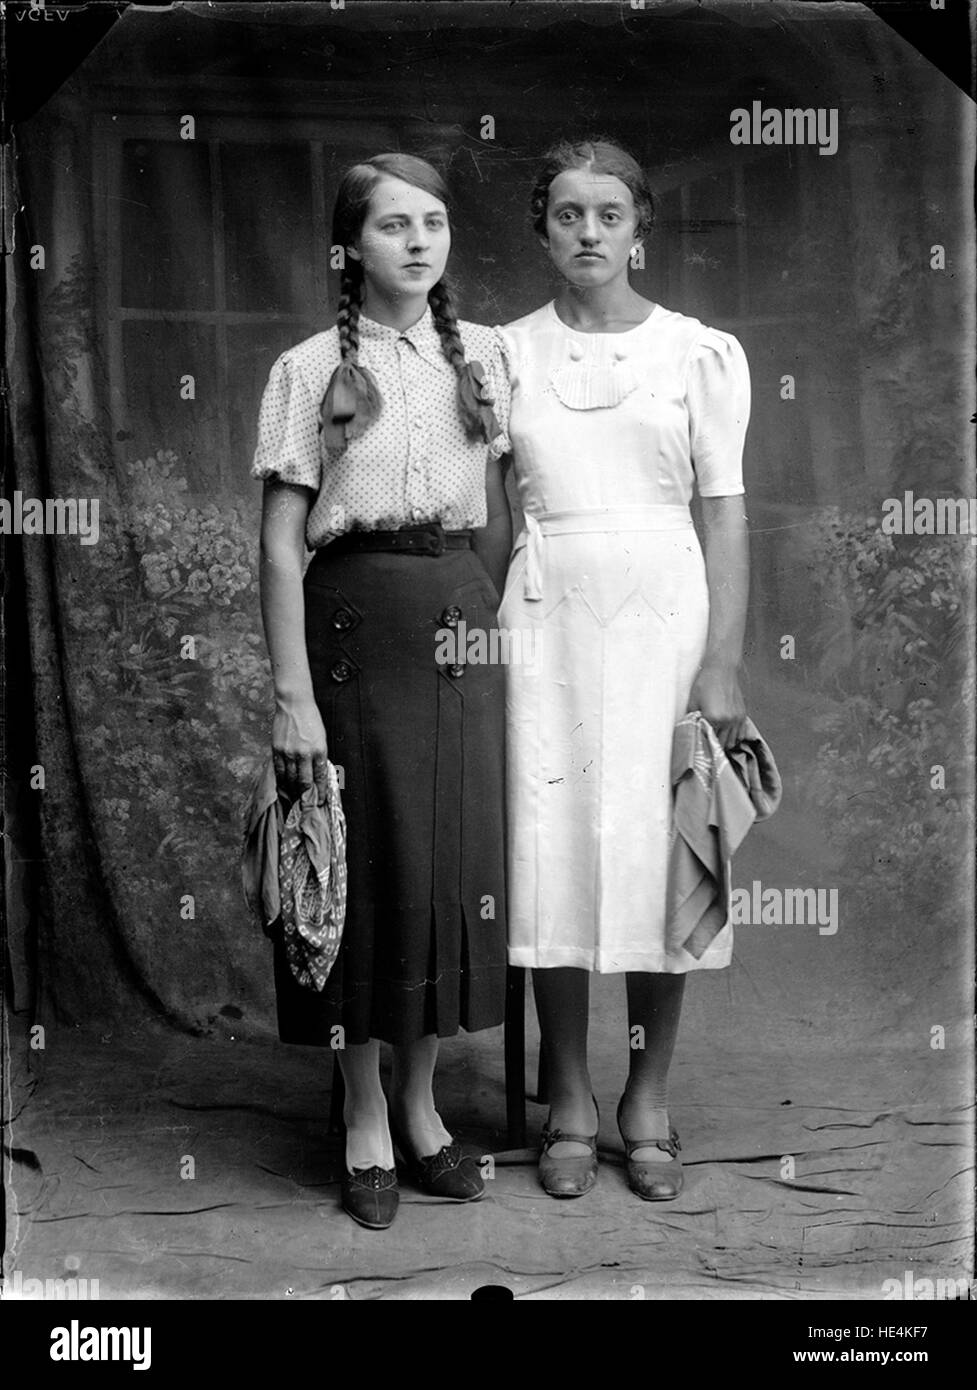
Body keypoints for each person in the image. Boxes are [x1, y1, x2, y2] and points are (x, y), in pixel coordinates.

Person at [251, 153, 512, 1230]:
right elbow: (277, 548)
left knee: (444, 868)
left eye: (436, 223)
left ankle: (421, 1104)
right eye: (395, 225)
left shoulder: (487, 354)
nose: (419, 240)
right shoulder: (308, 368)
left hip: (455, 619)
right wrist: (292, 695)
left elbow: (498, 513)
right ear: (352, 246)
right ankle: (360, 1110)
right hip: (350, 624)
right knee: (365, 876)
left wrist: (486, 621)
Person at [495, 138, 751, 1202]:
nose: (588, 232)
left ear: (640, 225)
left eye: (608, 213)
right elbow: (482, 508)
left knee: (659, 848)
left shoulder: (698, 353)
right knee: (549, 850)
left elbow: (726, 517)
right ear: (542, 228)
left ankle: (646, 1093)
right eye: (566, 214)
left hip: (666, 619)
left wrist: (723, 665)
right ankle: (566, 1096)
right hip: (544, 621)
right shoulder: (502, 354)